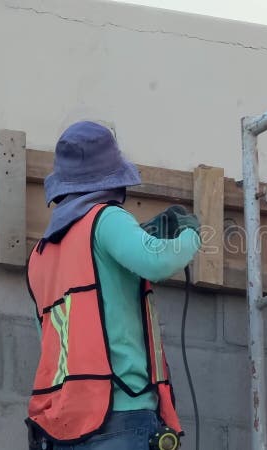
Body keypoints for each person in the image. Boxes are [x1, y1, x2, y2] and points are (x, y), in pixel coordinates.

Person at [25, 121, 200, 449]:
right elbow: (160, 261)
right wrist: (190, 232)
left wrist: (140, 238)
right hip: (120, 411)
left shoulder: (40, 255)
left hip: (63, 422)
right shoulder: (105, 219)